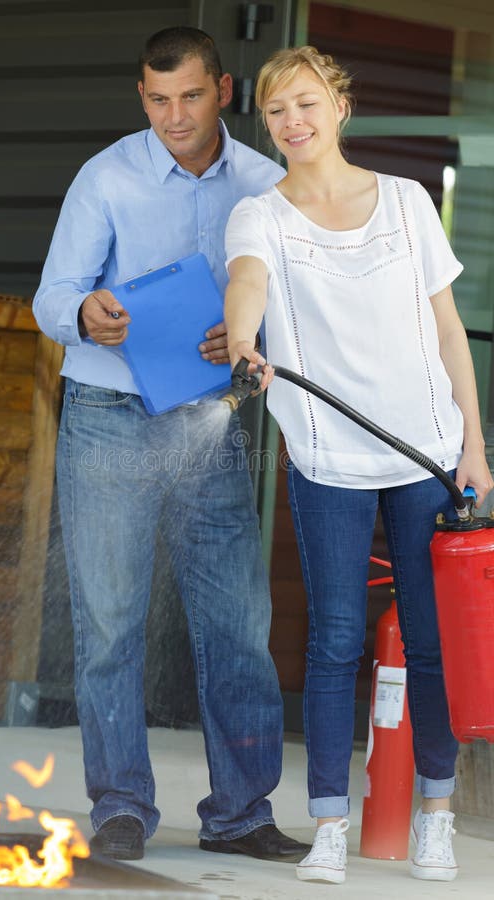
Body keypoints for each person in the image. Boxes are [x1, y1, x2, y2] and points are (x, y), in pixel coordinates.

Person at [32, 26, 311, 864]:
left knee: (236, 622)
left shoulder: (266, 186)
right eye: (157, 100)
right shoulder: (106, 175)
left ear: (223, 91)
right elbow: (52, 297)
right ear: (142, 98)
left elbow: (292, 316)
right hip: (107, 417)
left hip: (208, 422)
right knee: (110, 622)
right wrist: (87, 315)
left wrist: (249, 335)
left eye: (189, 96)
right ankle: (120, 806)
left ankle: (241, 813)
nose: (173, 115)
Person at [223, 45, 493, 885]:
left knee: (430, 640)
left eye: (305, 103)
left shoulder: (408, 204)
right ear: (265, 124)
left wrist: (476, 450)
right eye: (275, 112)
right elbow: (248, 285)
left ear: (339, 106)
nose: (292, 122)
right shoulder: (259, 215)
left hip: (426, 454)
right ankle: (331, 827)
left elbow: (449, 331)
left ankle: (436, 817)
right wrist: (241, 340)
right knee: (336, 640)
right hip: (327, 457)